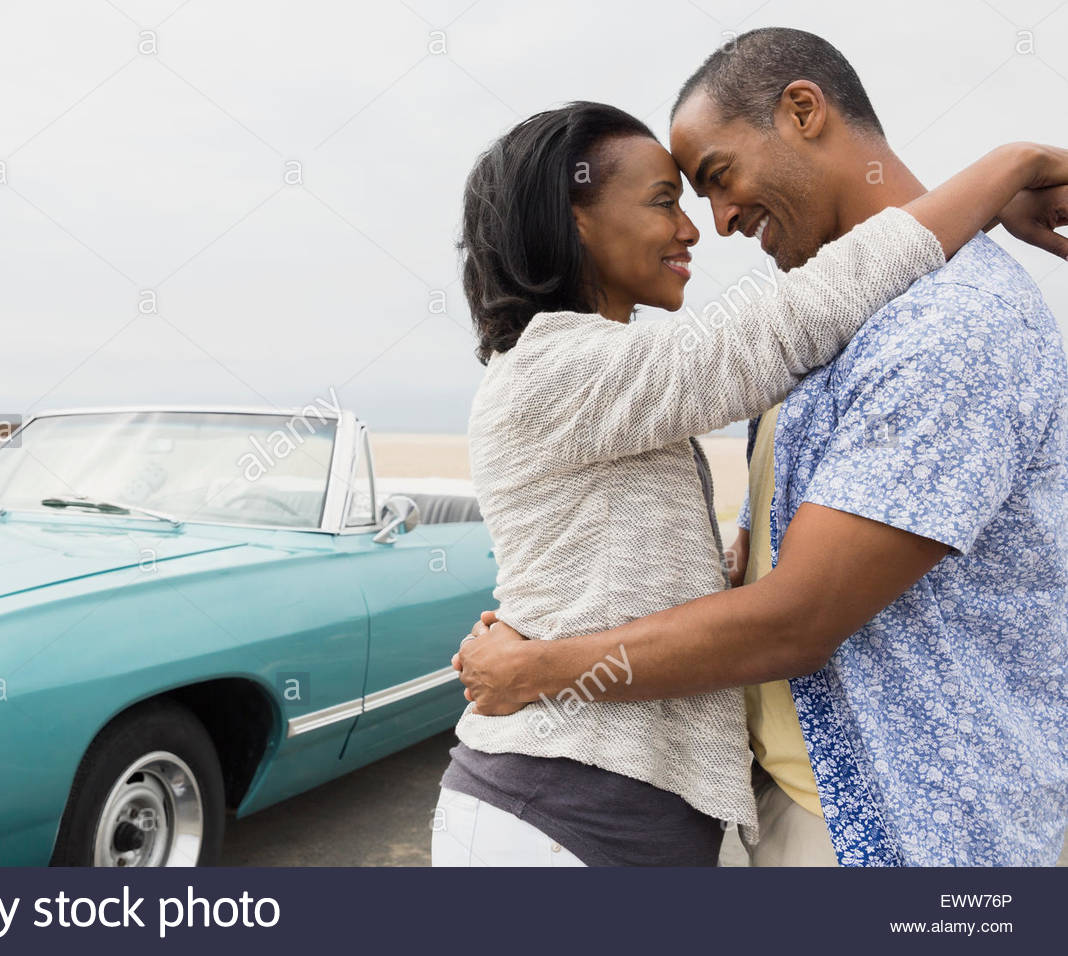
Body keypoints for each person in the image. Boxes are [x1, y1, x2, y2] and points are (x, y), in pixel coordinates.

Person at [453, 28, 1068, 867]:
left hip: (898, 834)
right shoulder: (575, 368)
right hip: (586, 805)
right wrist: (1004, 170)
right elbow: (772, 331)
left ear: (803, 111)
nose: (712, 224)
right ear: (577, 223)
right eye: (671, 199)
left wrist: (544, 665)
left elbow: (802, 614)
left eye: (710, 180)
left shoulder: (948, 324)